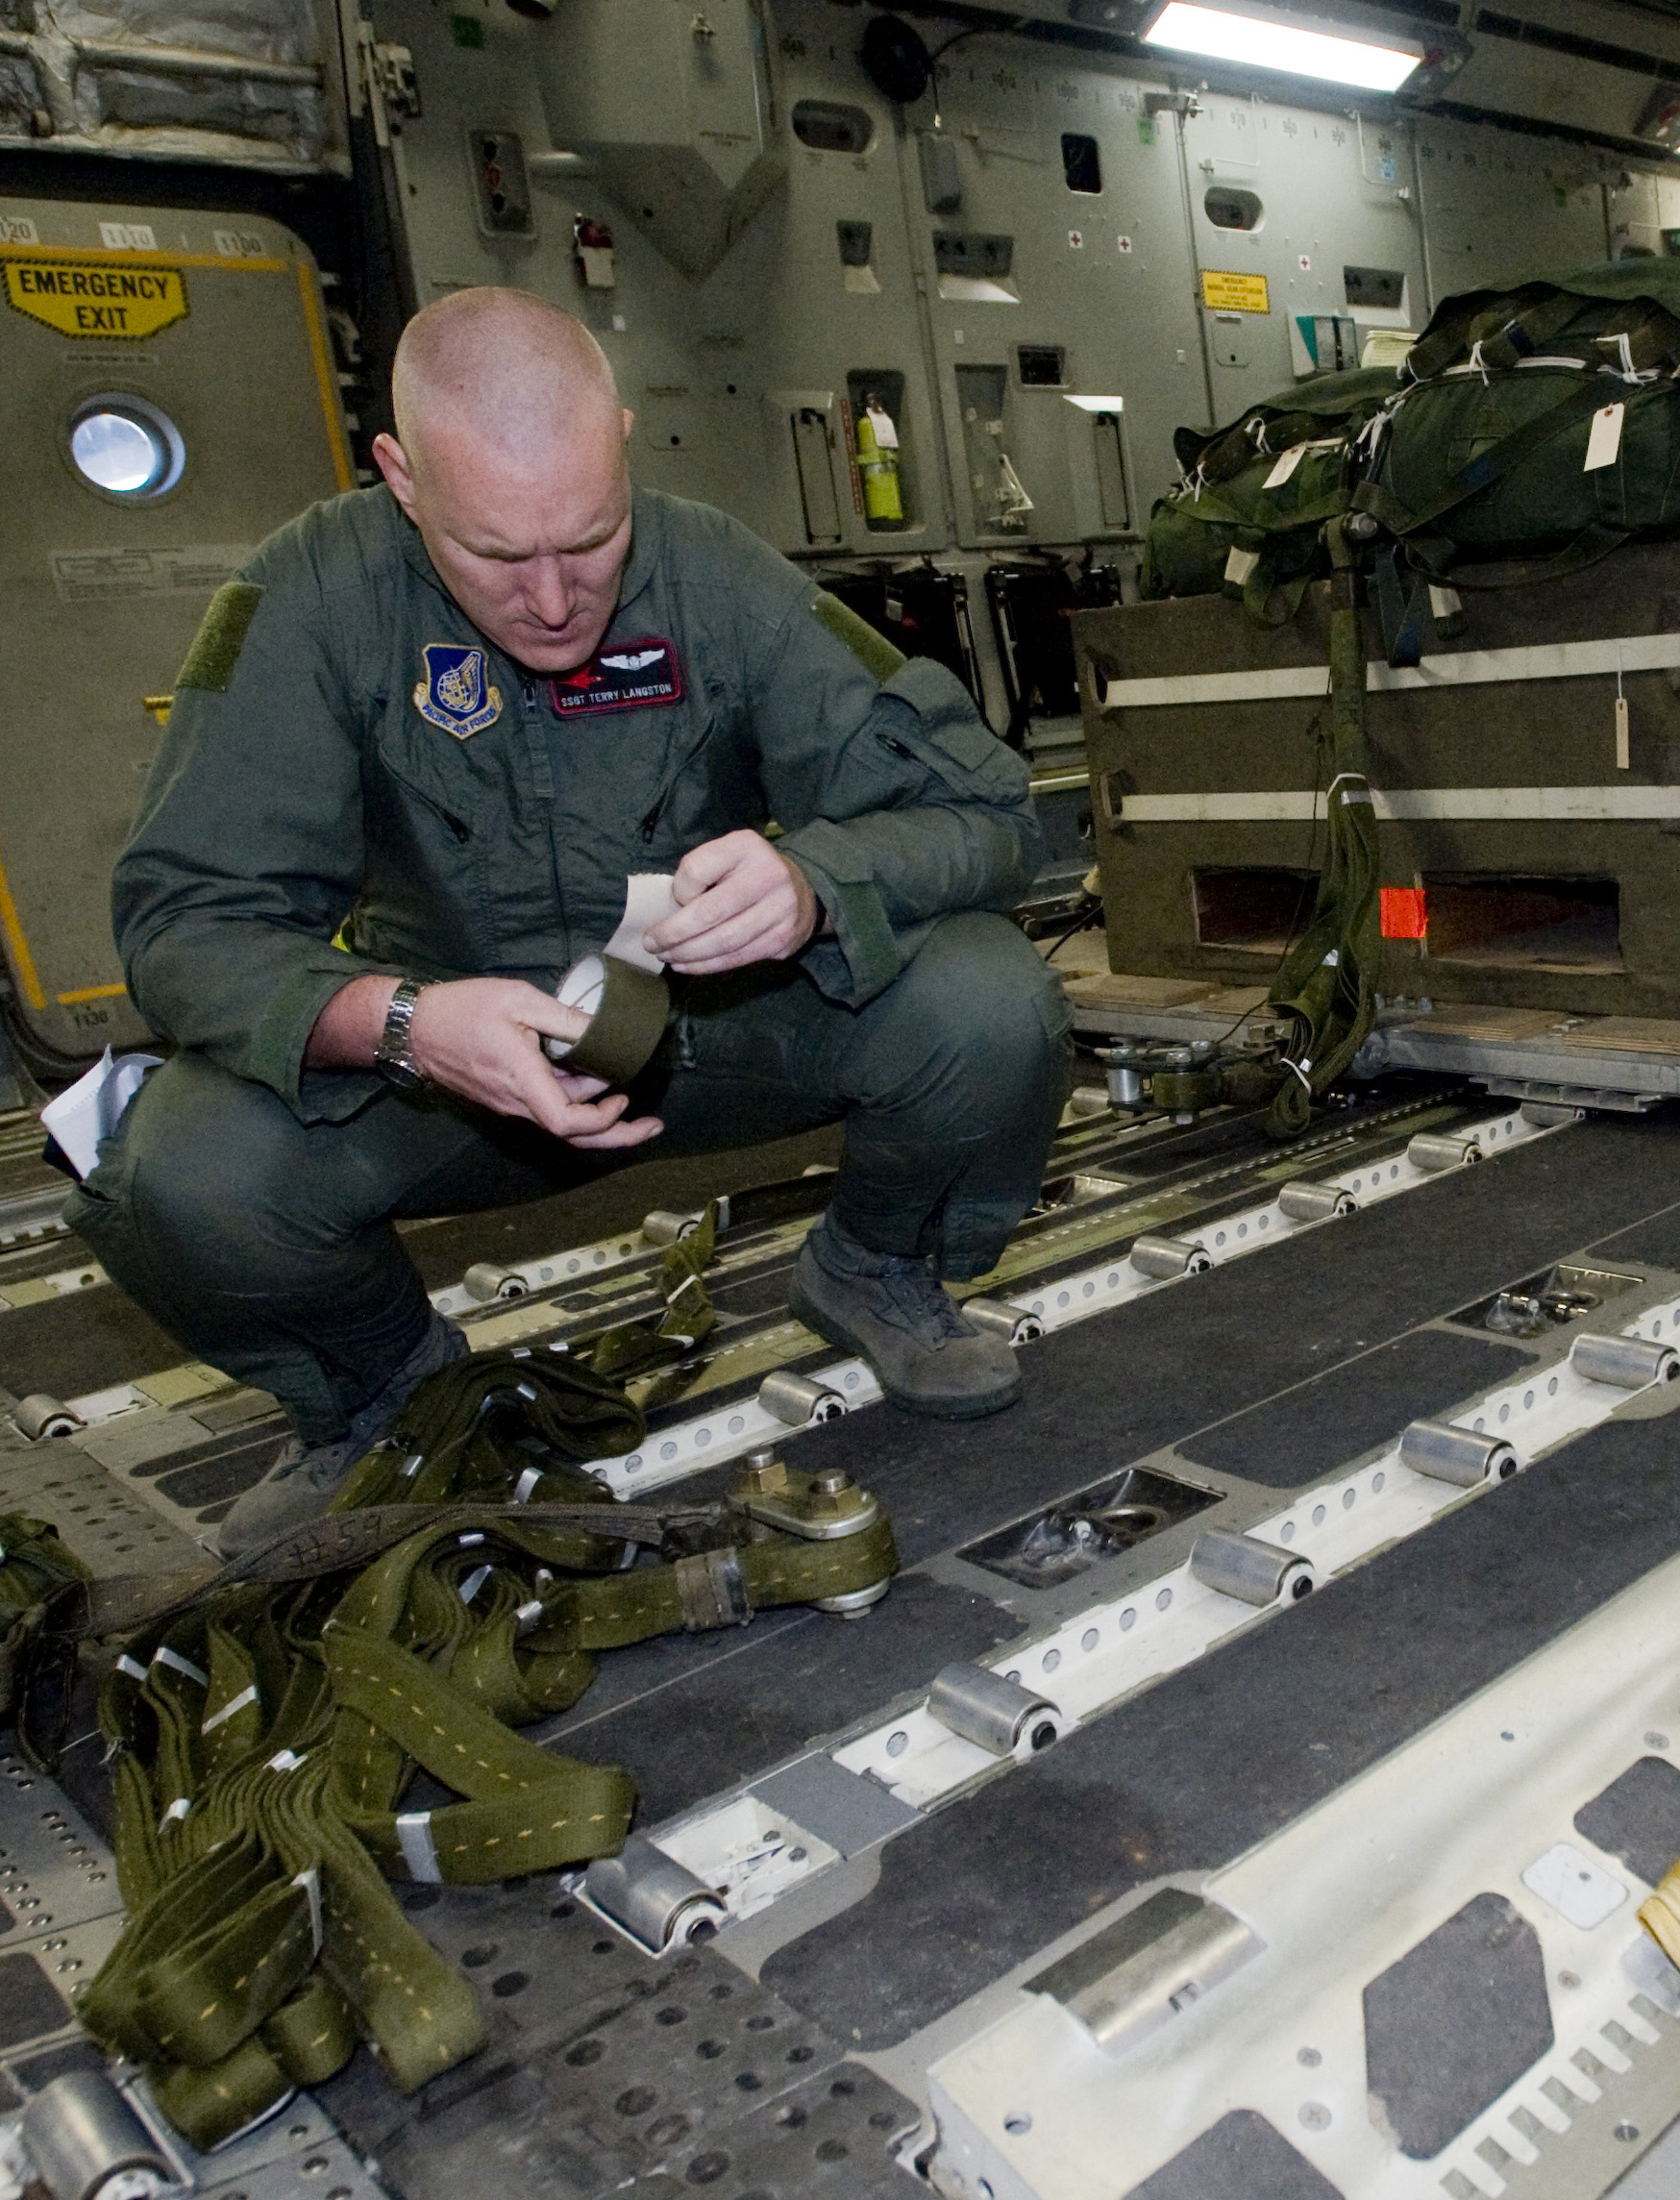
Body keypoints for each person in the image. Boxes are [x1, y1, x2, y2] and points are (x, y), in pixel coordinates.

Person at [74, 287, 1069, 1542]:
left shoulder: (712, 572)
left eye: (590, 538)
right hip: (448, 1072)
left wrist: (814, 879)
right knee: (179, 1174)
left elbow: (981, 808)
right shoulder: (308, 601)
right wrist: (400, 1023)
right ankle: (391, 1396)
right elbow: (182, 917)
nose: (553, 600)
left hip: (697, 1029)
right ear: (399, 477)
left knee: (989, 1000)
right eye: (496, 554)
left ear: (624, 443)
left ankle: (873, 1265)